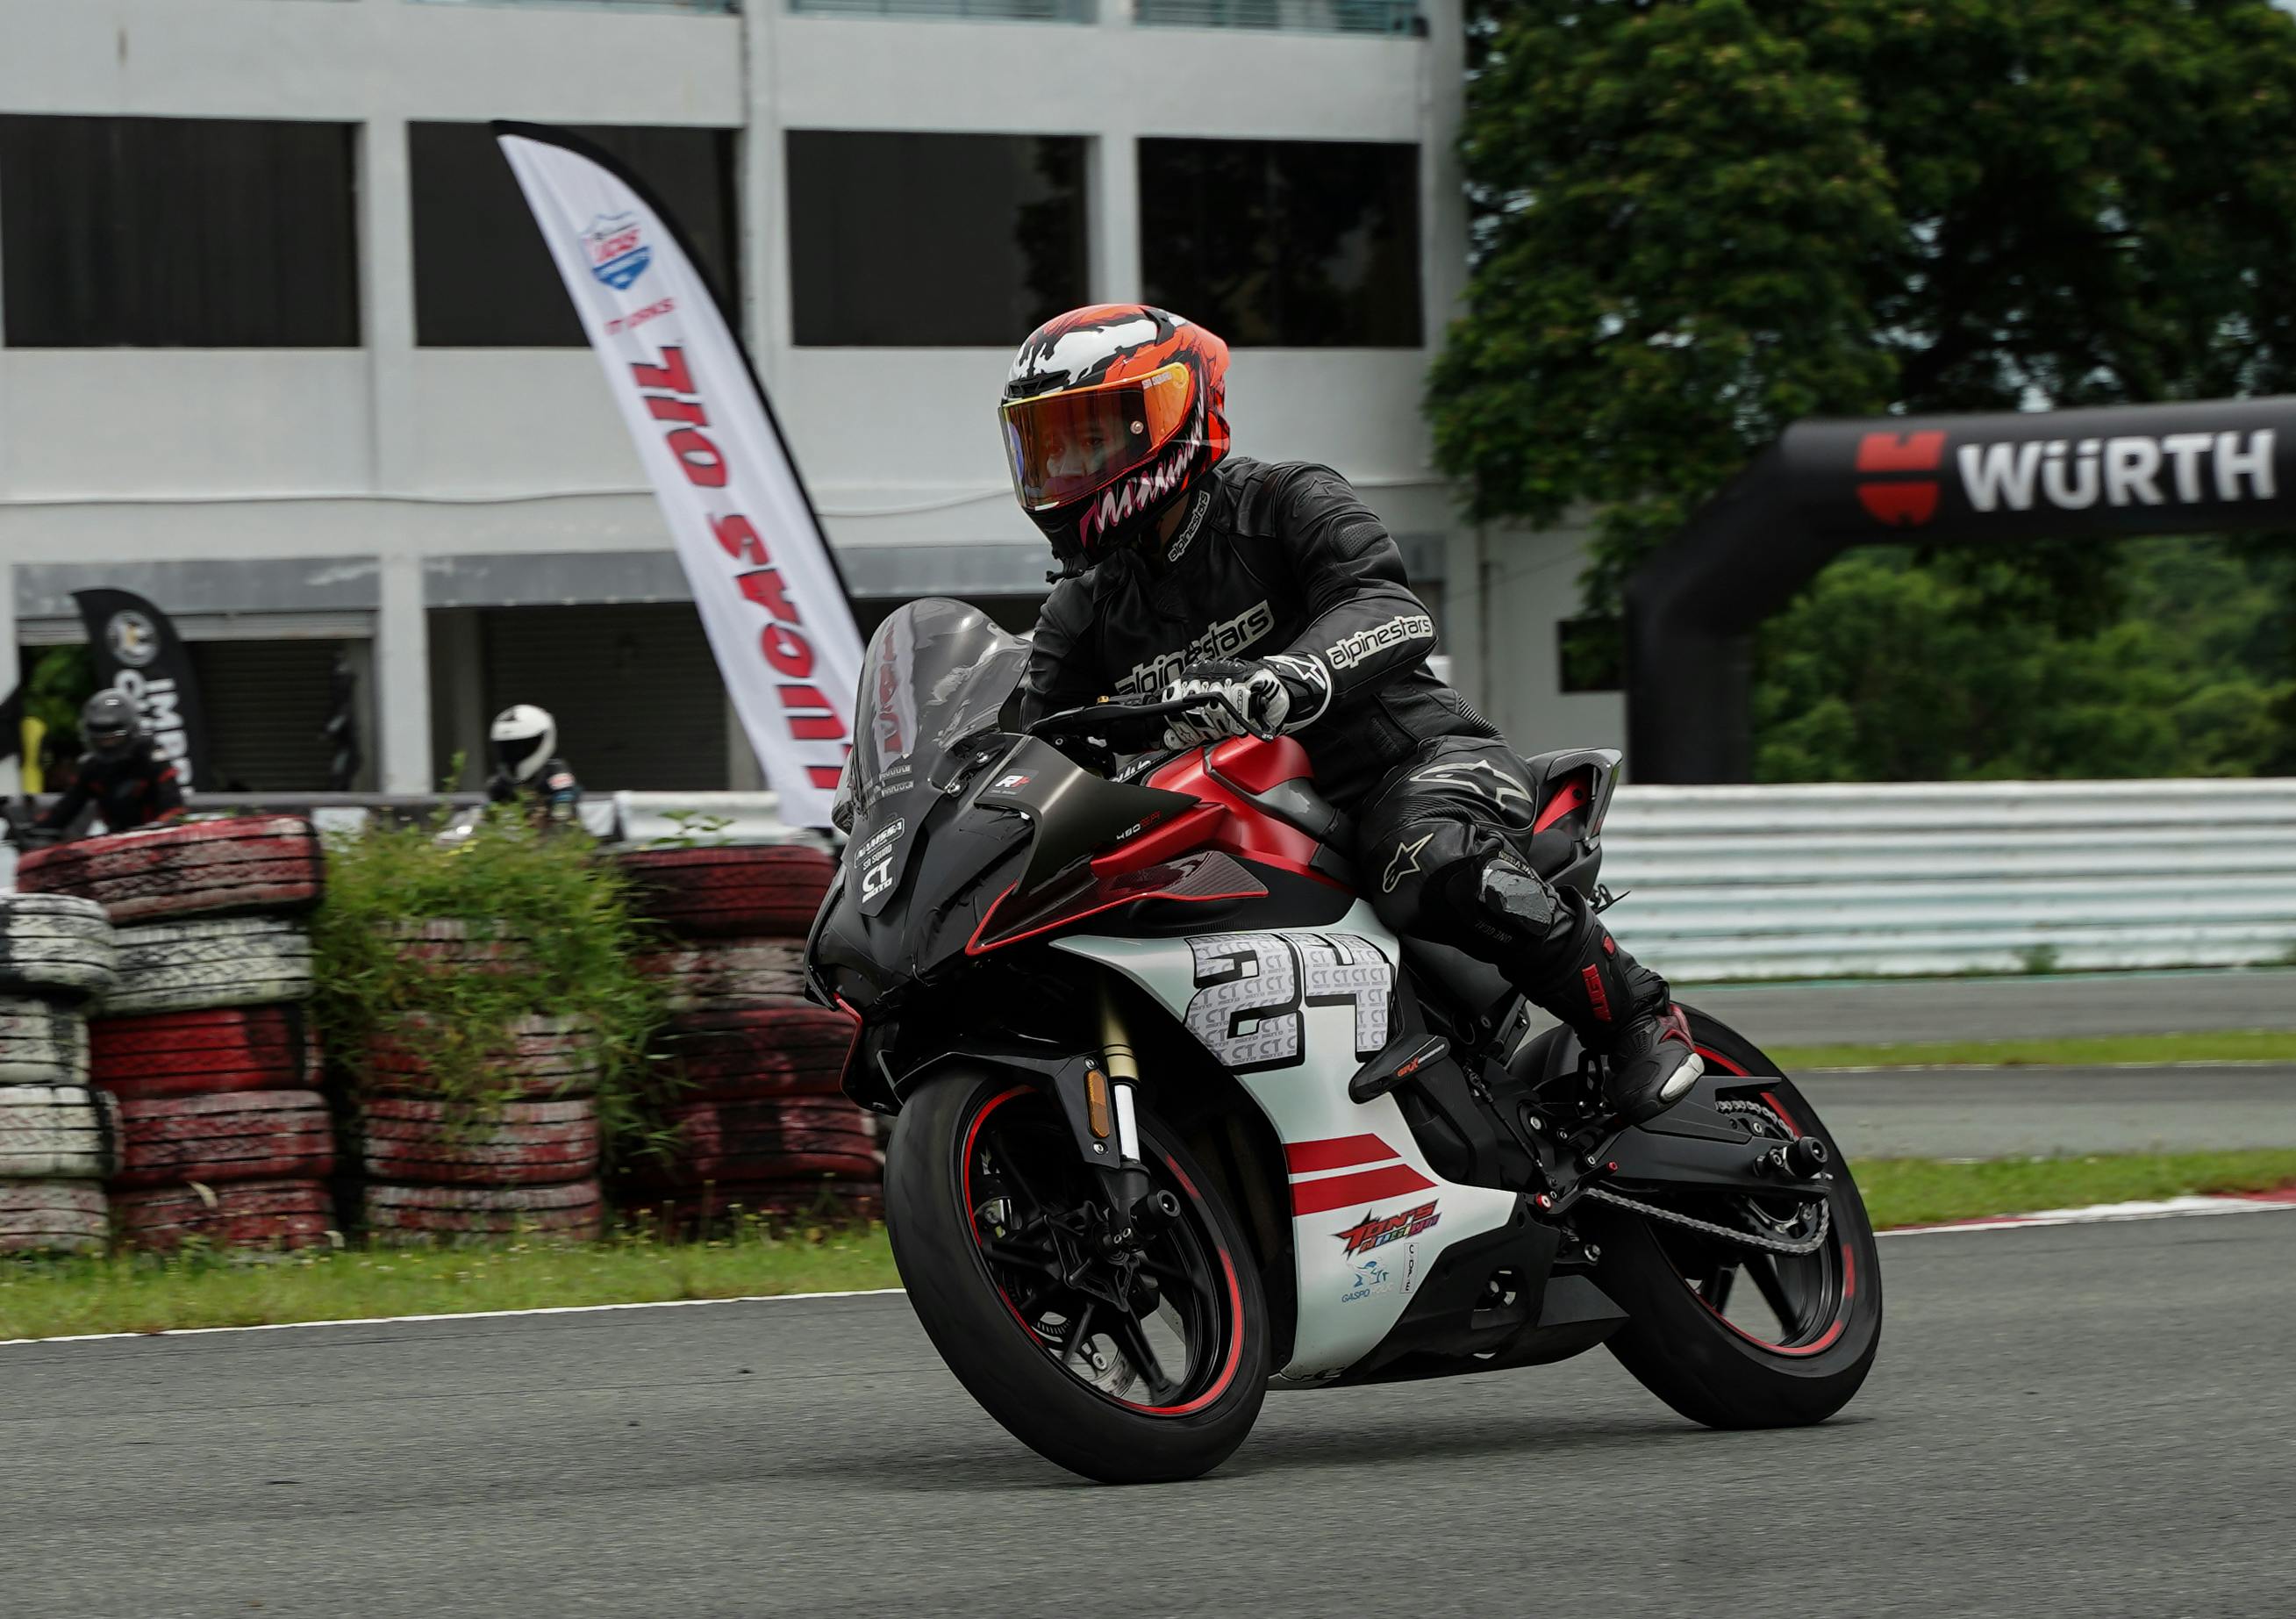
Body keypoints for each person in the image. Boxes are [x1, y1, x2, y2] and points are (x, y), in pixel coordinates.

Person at [1005, 304, 1699, 1125]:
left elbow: (1389, 606)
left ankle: (1640, 1018)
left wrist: (1288, 677)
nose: (1068, 463)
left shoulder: (1284, 498)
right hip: (1240, 822)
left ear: (1168, 413)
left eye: (1089, 436)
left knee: (1422, 853)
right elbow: (1021, 736)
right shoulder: (1083, 608)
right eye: (1050, 442)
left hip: (1414, 764)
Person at [32, 691, 185, 838]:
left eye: (113, 738)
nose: (107, 745)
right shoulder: (92, 768)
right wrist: (37, 830)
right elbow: (66, 808)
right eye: (101, 739)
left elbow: (173, 805)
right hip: (116, 840)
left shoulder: (152, 758)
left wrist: (162, 827)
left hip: (157, 837)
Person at [485, 704, 582, 827]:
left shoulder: (556, 775)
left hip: (554, 843)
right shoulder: (499, 783)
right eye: (507, 748)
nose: (513, 754)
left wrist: (545, 816)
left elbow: (564, 819)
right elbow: (487, 817)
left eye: (520, 747)